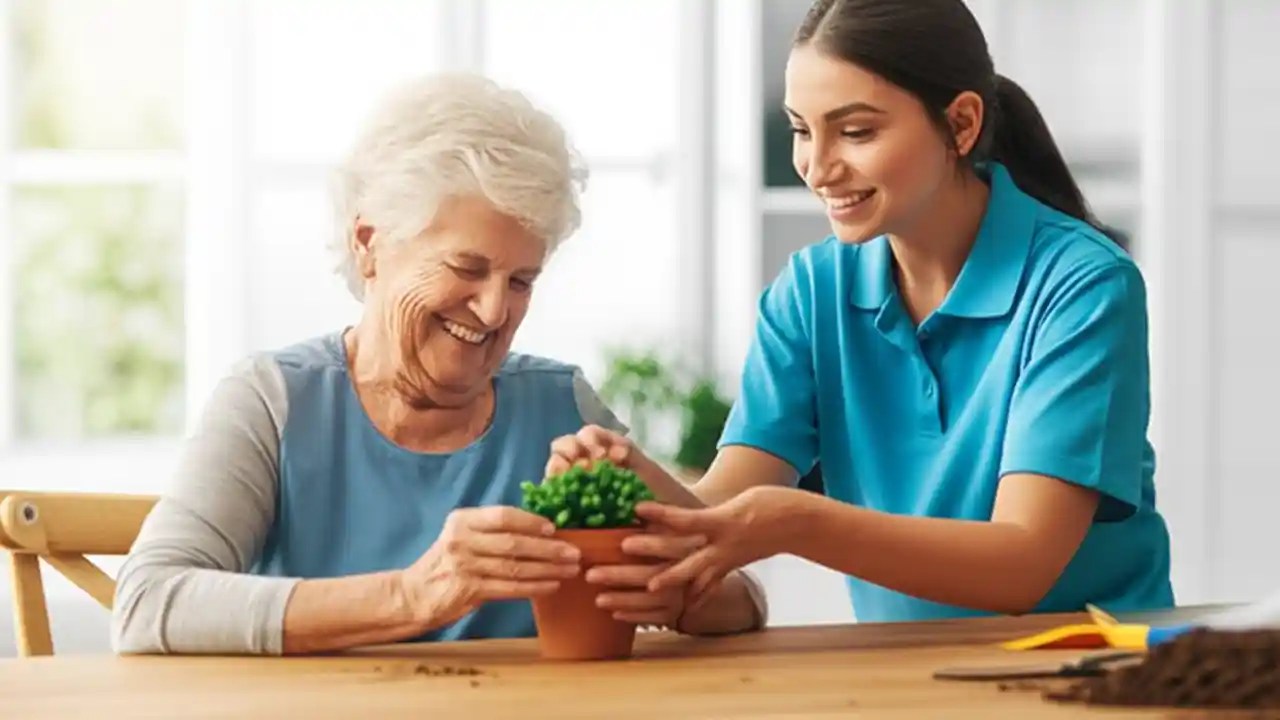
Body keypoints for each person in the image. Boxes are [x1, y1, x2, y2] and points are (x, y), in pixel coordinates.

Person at [548, 0, 1175, 624]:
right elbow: (719, 505)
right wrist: (635, 479)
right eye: (801, 129)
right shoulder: (811, 290)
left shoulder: (1082, 287)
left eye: (856, 132)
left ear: (960, 124)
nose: (817, 169)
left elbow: (1023, 561)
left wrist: (795, 521)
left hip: (1091, 668)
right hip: (901, 673)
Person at [111, 73, 765, 655]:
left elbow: (743, 596)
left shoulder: (560, 407)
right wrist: (414, 595)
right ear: (369, 244)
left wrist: (680, 597)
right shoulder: (272, 401)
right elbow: (147, 603)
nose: (491, 311)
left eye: (521, 281)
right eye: (467, 268)